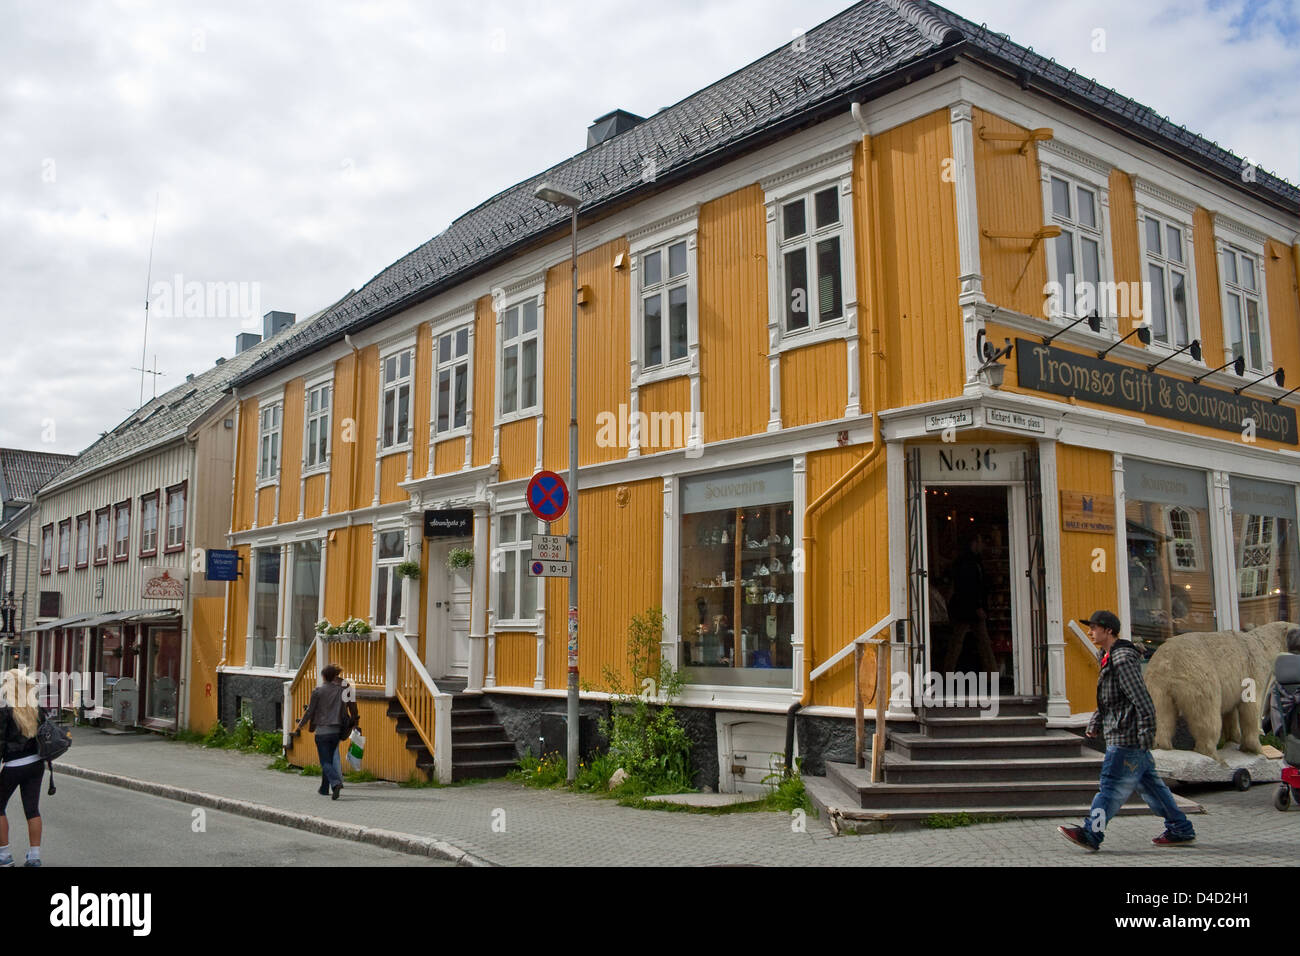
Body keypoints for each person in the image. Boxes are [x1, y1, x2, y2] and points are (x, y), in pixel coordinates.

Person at [1058, 611, 1196, 852]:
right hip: (1125, 735)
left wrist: (1145, 736)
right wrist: (1095, 723)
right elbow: (1110, 700)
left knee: (1110, 787)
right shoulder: (1108, 656)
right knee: (1152, 786)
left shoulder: (1121, 659)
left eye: (1094, 628)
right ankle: (1180, 828)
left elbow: (1142, 701)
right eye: (1089, 628)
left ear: (1108, 630)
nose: (1090, 632)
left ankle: (1092, 833)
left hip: (1126, 738)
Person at [289, 664, 359, 800]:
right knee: (330, 758)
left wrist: (300, 725)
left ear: (323, 676)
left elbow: (310, 711)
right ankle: (324, 788)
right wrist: (354, 722)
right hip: (336, 731)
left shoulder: (318, 691)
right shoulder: (342, 690)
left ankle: (336, 783)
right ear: (334, 676)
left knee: (325, 762)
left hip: (322, 732)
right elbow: (350, 706)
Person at [0, 669, 47, 867]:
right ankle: (34, 856)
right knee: (32, 809)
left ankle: (4, 856)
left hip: (13, 765)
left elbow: (1, 741)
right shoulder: (35, 707)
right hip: (36, 764)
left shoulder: (5, 709)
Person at [942, 533, 997, 674]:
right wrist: (978, 606)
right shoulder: (969, 562)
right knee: (978, 642)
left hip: (965, 608)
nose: (983, 545)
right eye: (981, 541)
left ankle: (948, 672)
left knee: (960, 642)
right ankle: (992, 674)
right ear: (974, 542)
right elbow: (969, 587)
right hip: (968, 609)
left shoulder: (968, 561)